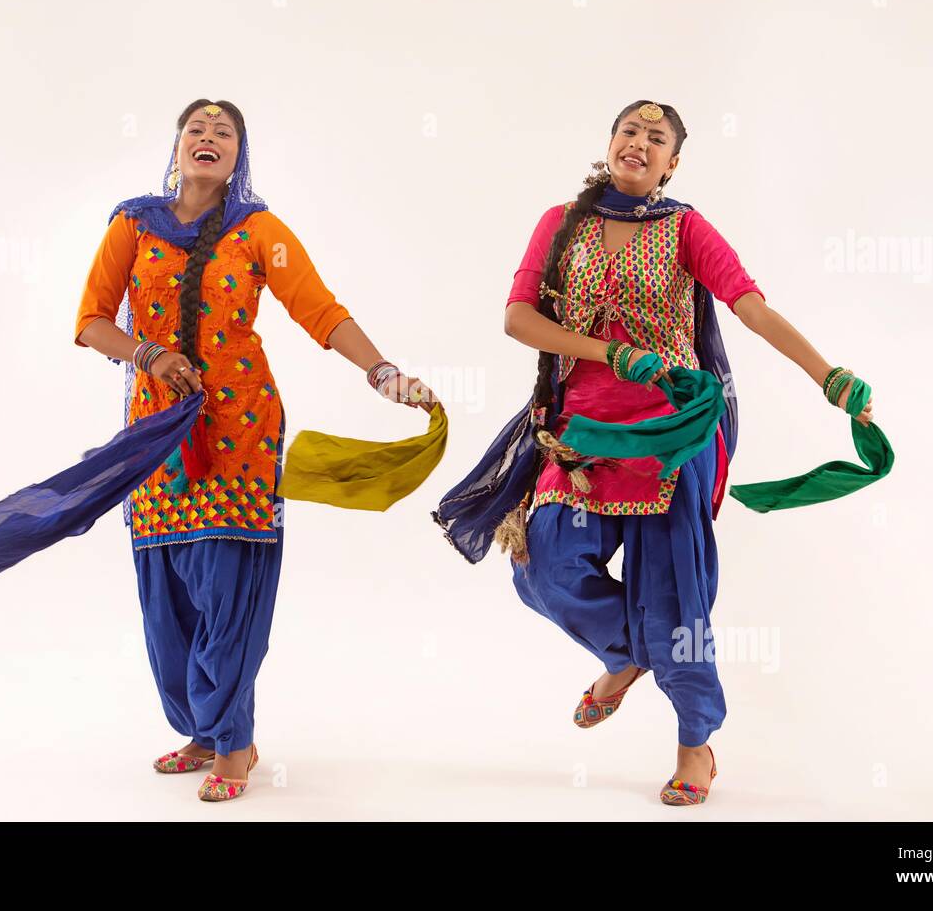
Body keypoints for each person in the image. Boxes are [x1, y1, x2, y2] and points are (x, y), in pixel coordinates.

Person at [492, 100, 874, 806]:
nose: (638, 142)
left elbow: (749, 305)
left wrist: (828, 376)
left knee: (675, 599)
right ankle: (625, 654)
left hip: (674, 435)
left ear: (673, 163)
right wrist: (610, 353)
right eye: (628, 131)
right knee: (542, 563)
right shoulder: (561, 223)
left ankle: (695, 742)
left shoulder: (685, 228)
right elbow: (519, 319)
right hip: (582, 436)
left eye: (656, 137)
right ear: (609, 142)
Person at [74, 98, 437, 802]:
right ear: (177, 148)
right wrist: (148, 353)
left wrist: (382, 370)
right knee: (169, 592)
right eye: (196, 131)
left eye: (224, 133)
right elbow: (91, 322)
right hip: (155, 434)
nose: (208, 139)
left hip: (240, 428)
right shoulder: (132, 225)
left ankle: (233, 744)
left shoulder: (258, 231)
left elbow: (320, 310)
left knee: (226, 581)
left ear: (239, 156)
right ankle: (203, 730)